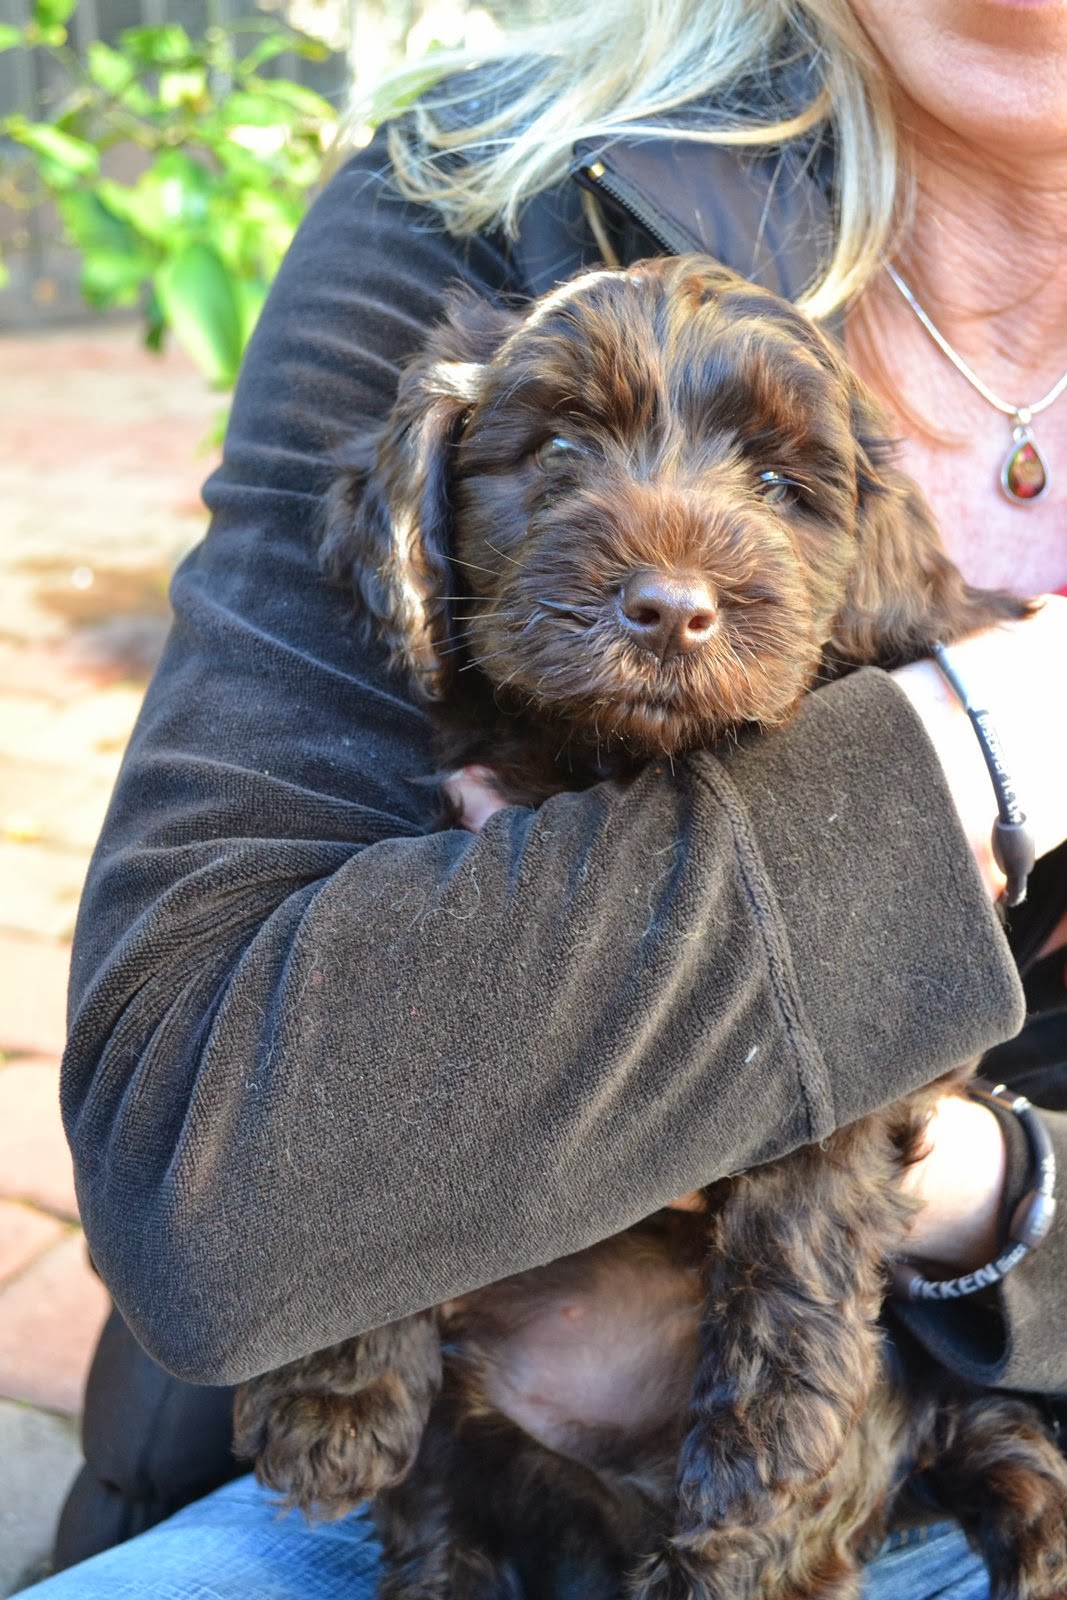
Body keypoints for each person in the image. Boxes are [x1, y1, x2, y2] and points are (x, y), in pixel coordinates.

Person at [25, 0, 1067, 1594]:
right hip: (436, 1461)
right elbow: (206, 1171)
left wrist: (972, 1181)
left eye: (775, 485)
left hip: (895, 1436)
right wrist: (970, 742)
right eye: (566, 456)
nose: (671, 576)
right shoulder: (472, 193)